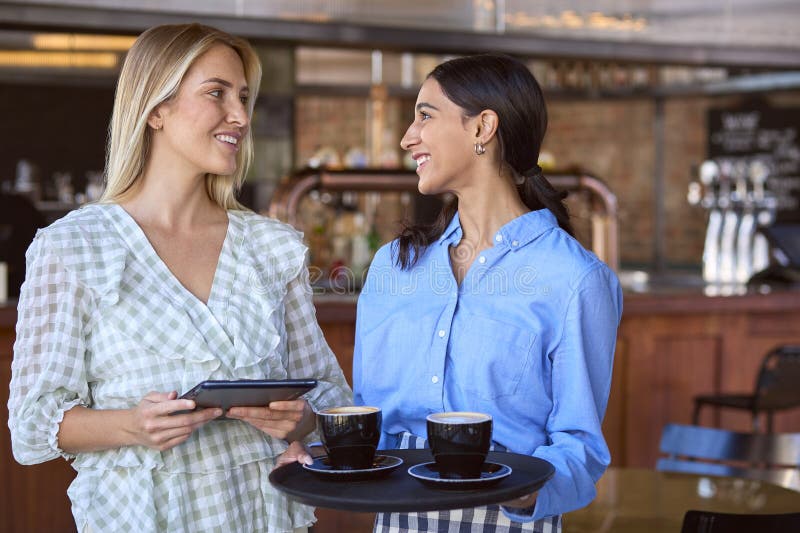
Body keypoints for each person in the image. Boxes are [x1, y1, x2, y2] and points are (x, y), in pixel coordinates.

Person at [8, 23, 350, 532]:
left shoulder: (271, 248)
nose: (239, 115)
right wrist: (131, 425)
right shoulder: (74, 247)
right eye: (216, 93)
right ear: (156, 110)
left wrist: (299, 421)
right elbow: (32, 428)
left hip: (264, 514)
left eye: (243, 96)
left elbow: (331, 400)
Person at [353, 54, 623, 532]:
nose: (406, 137)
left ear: (483, 128)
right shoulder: (393, 267)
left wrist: (525, 490)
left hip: (505, 519)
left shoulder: (574, 278)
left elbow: (579, 446)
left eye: (425, 115)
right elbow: (365, 420)